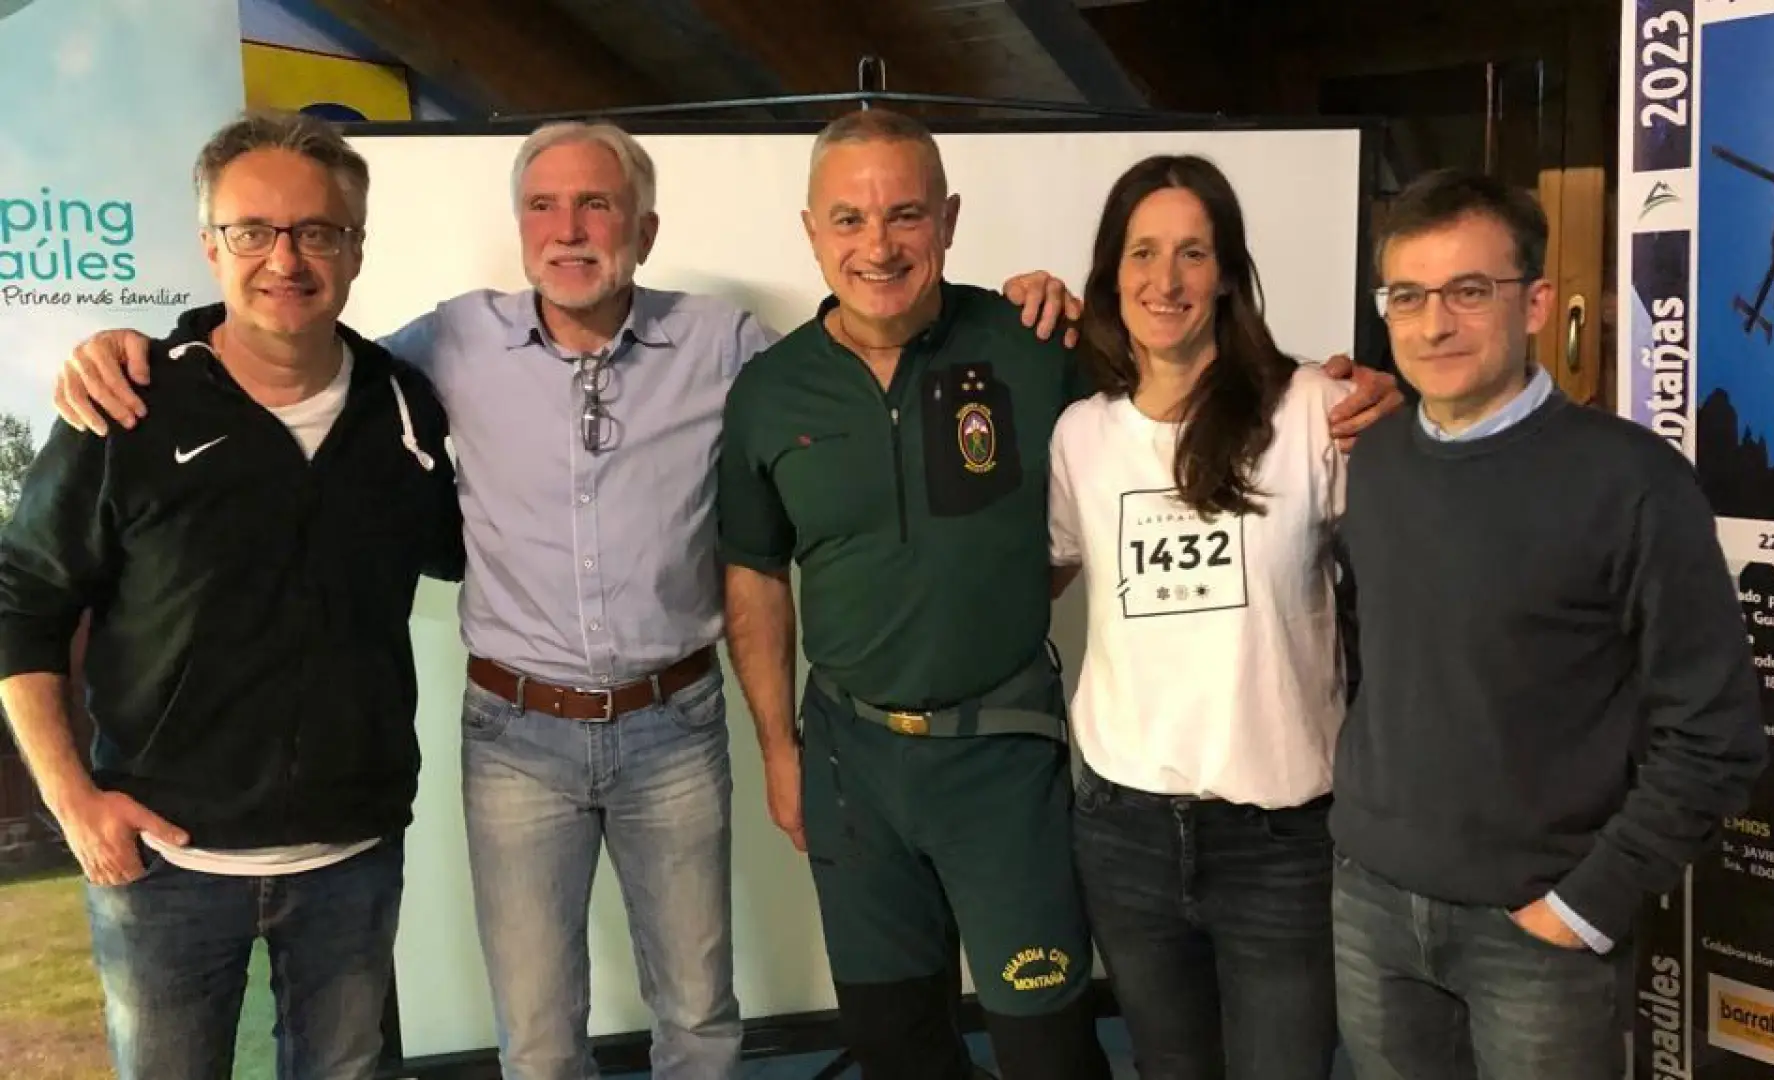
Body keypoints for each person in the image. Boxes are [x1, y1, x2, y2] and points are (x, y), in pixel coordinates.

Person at [48, 120, 1087, 1080]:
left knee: (699, 1014)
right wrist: (146, 344)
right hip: (515, 736)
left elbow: (868, 351)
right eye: (545, 207)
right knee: (539, 1036)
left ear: (645, 227)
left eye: (598, 205)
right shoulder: (447, 347)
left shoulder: (730, 349)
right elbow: (301, 347)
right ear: (520, 228)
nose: (571, 230)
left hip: (674, 727)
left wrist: (1020, 303)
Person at [717, 108, 1401, 1080]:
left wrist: (1385, 394)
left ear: (948, 220)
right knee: (894, 1044)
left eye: (905, 214)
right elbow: (754, 570)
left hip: (1015, 763)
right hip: (856, 767)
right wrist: (779, 749)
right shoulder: (773, 391)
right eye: (849, 220)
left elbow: (1188, 387)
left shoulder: (1035, 346)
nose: (878, 245)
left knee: (1051, 1050)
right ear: (811, 230)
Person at [0, 109, 462, 1080]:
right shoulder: (125, 405)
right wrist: (72, 802)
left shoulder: (406, 408)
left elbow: (472, 553)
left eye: (317, 232)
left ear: (356, 248)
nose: (285, 259)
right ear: (211, 247)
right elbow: (21, 604)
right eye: (253, 231)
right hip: (162, 870)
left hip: (352, 861)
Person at [1329, 168, 1766, 1079]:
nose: (1434, 322)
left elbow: (1716, 734)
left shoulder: (1632, 481)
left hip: (1537, 929)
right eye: (1407, 296)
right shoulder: (1369, 468)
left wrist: (1588, 902)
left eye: (1468, 291)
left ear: (1534, 305)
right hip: (1373, 909)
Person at [1047, 154, 1353, 1080]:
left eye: (1192, 253)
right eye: (1142, 253)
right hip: (1124, 827)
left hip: (1281, 840)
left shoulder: (1312, 410)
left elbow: (1415, 575)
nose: (1165, 279)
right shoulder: (1082, 435)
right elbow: (1045, 575)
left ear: (1226, 274)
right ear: (1111, 275)